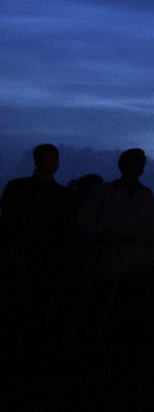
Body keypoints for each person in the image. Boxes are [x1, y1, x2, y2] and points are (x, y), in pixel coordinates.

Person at [78, 148, 154, 354]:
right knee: (103, 303)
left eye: (140, 163)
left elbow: (151, 229)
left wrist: (150, 262)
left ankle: (119, 348)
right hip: (110, 254)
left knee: (128, 307)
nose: (137, 167)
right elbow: (86, 219)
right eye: (133, 162)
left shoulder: (146, 194)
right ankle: (95, 346)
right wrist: (101, 234)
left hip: (136, 258)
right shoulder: (104, 191)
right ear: (122, 165)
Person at [0, 143, 73, 357]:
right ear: (37, 160)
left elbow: (65, 229)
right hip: (22, 256)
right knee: (20, 304)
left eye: (55, 159)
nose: (53, 163)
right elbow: (8, 223)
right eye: (49, 158)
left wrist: (58, 256)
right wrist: (13, 251)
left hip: (48, 259)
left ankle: (34, 350)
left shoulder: (61, 194)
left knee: (42, 305)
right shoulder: (18, 188)